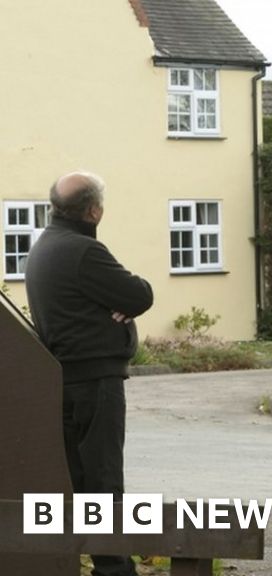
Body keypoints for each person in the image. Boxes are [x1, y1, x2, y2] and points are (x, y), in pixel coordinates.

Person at [26, 171, 153, 576]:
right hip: (95, 381)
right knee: (102, 479)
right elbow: (139, 294)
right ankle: (114, 568)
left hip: (63, 379)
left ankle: (104, 562)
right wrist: (119, 306)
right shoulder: (83, 251)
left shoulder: (44, 246)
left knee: (81, 479)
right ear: (94, 211)